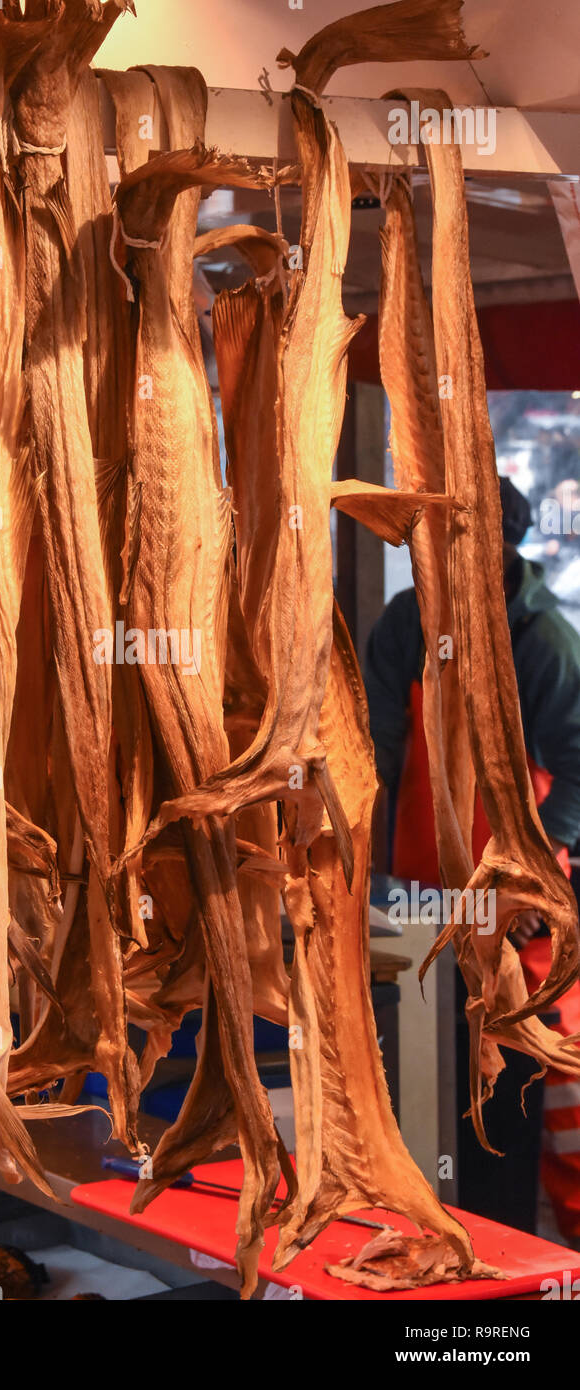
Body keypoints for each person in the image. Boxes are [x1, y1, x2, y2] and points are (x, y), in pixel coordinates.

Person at [365, 475, 580, 1247]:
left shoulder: (543, 641)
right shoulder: (404, 626)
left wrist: (534, 862)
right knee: (418, 1099)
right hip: (420, 904)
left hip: (516, 909)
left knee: (506, 1088)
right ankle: (424, 1243)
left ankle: (502, 1261)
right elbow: (375, 753)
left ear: (499, 551)